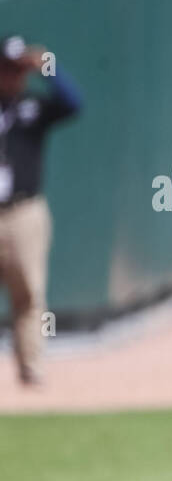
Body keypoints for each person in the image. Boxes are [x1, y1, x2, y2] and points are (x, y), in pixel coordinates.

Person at [0, 34, 81, 386]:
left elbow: (73, 103)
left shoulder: (32, 107)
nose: (13, 77)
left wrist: (46, 66)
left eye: (19, 70)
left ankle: (30, 368)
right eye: (6, 69)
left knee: (29, 294)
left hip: (24, 212)